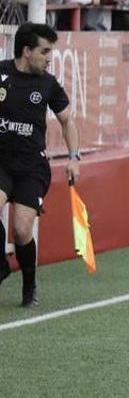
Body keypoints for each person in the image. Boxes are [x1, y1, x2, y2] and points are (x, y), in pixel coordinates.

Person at [0, 23, 82, 307]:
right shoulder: (1, 73)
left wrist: (73, 158)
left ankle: (29, 283)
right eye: (45, 51)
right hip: (0, 162)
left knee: (22, 230)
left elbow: (67, 121)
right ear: (26, 51)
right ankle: (1, 264)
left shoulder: (48, 84)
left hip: (31, 167)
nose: (49, 58)